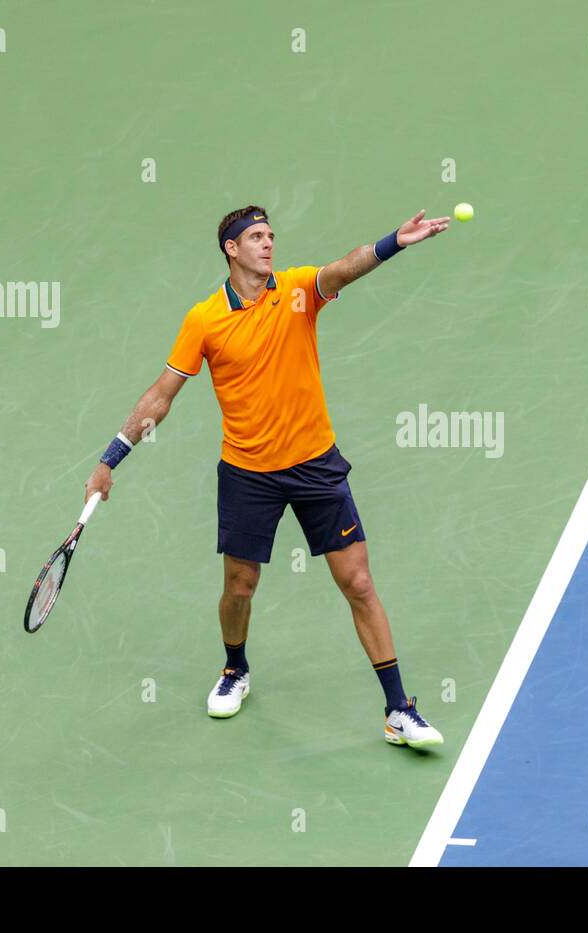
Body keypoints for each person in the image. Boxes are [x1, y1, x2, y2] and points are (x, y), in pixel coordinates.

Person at [83, 205, 450, 748]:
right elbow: (162, 395)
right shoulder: (204, 319)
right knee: (240, 586)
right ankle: (236, 669)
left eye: (271, 236)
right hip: (248, 473)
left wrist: (394, 241)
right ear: (231, 248)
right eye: (256, 237)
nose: (268, 244)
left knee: (359, 583)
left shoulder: (299, 292)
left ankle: (399, 709)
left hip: (315, 465)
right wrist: (111, 458)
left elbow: (345, 268)